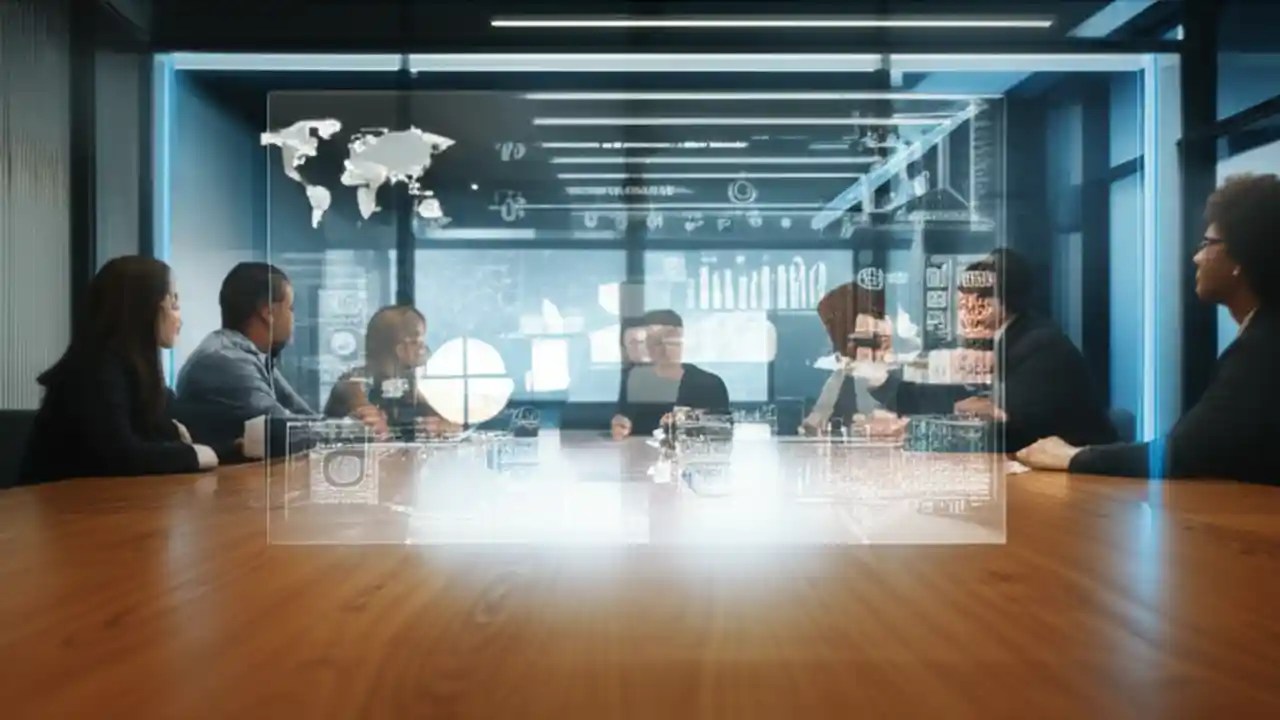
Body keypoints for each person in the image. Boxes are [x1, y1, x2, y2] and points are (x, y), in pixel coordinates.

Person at [1019, 174, 1280, 484]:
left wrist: (1071, 456)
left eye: (1208, 244)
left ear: (1241, 256)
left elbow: (1179, 454)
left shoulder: (1262, 350)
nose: (1196, 257)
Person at [866, 249, 1116, 452]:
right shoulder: (1001, 340)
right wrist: (886, 386)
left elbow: (1003, 429)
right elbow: (956, 398)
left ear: (1006, 300)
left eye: (978, 299)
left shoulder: (1039, 345)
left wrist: (913, 430)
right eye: (964, 300)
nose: (967, 309)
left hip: (1084, 480)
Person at [20, 257, 224, 483]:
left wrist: (232, 448)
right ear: (145, 307)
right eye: (174, 303)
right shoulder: (95, 368)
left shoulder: (138, 371)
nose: (180, 319)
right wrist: (193, 454)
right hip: (60, 509)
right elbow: (120, 455)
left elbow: (180, 434)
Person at [176, 262, 316, 424]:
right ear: (268, 312)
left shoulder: (250, 356)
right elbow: (283, 431)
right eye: (290, 308)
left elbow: (307, 422)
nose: (293, 318)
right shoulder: (225, 362)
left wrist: (340, 401)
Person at [323, 305, 456, 437]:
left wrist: (442, 424)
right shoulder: (353, 385)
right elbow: (370, 421)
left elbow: (449, 422)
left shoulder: (410, 386)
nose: (423, 349)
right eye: (415, 341)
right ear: (397, 349)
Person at [611, 310, 730, 440]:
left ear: (682, 342)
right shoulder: (635, 381)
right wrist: (620, 425)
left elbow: (722, 429)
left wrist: (687, 423)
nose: (664, 347)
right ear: (647, 345)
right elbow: (624, 421)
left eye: (671, 339)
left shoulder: (709, 384)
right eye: (656, 341)